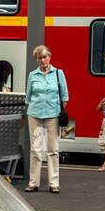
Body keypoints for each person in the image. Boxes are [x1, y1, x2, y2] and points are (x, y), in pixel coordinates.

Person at [24, 45, 67, 194]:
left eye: (44, 57)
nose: (42, 60)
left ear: (50, 57)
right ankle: (33, 183)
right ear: (36, 59)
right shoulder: (32, 75)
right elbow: (28, 96)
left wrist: (57, 108)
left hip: (53, 114)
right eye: (39, 58)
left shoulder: (58, 73)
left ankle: (54, 183)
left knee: (52, 149)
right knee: (35, 149)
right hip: (35, 114)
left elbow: (65, 96)